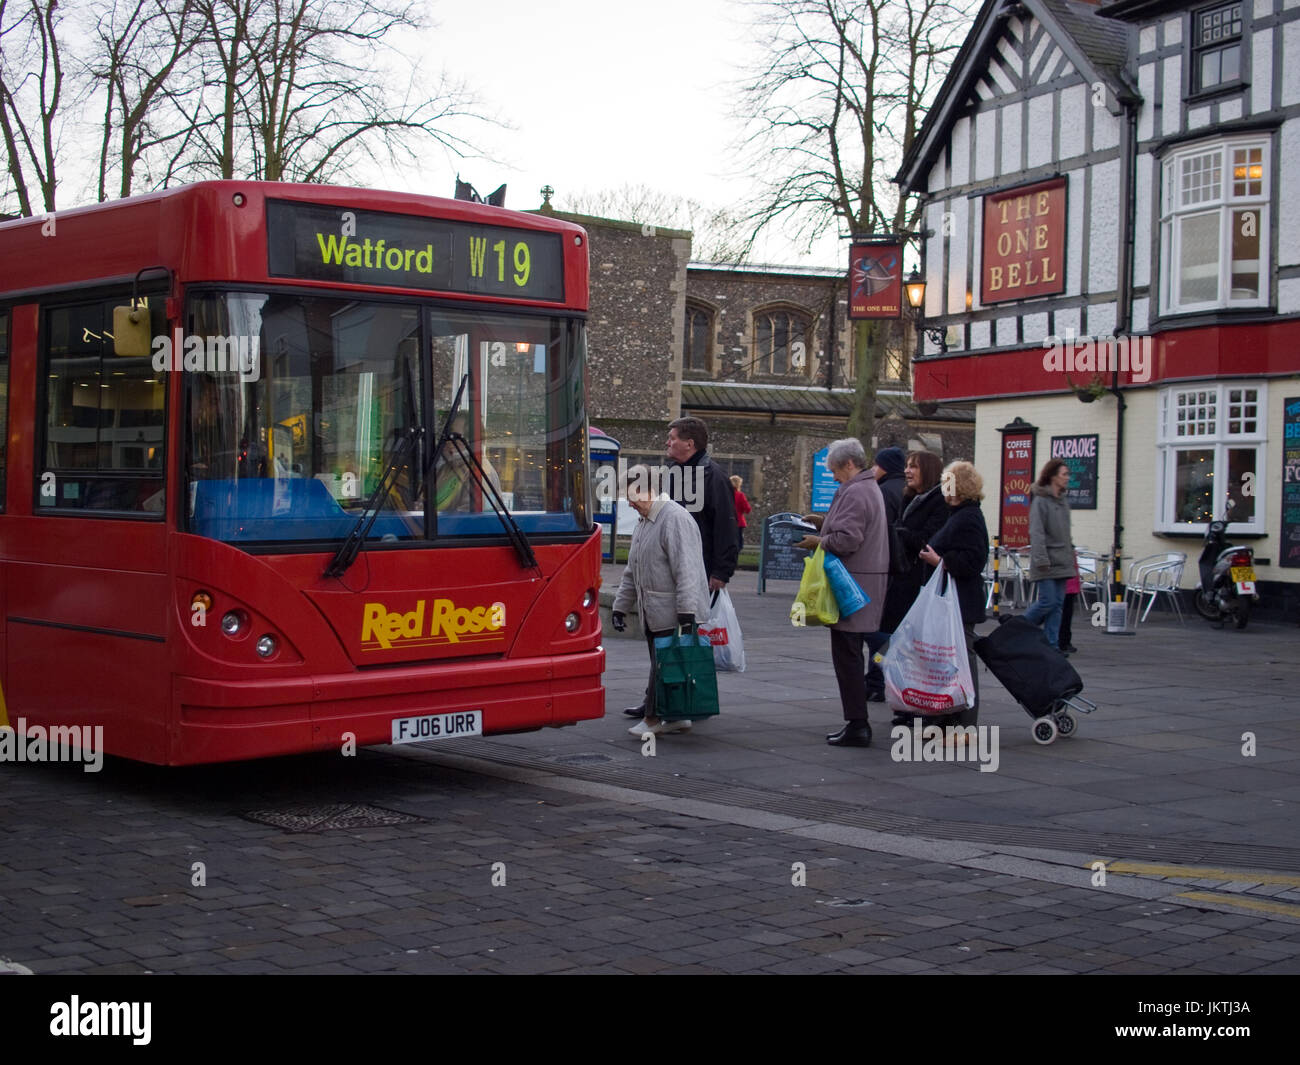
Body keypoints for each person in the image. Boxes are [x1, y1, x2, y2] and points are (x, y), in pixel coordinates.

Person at [625, 416, 737, 719]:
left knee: (682, 643)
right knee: (665, 642)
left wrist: (721, 572)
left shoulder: (714, 478)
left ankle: (675, 703)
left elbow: (727, 529)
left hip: (696, 572)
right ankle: (659, 700)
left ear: (690, 443)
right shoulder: (673, 473)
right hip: (668, 570)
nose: (667, 442)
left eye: (672, 437)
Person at [794, 438, 888, 748]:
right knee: (851, 654)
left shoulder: (856, 491)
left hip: (853, 586)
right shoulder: (866, 487)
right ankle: (857, 722)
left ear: (849, 464)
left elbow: (848, 539)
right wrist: (824, 523)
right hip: (864, 581)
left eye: (835, 469)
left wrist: (818, 540)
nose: (833, 476)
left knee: (847, 657)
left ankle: (858, 724)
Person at [611, 466, 711, 737]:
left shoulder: (674, 518)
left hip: (672, 610)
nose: (630, 503)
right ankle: (678, 717)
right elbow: (633, 569)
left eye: (632, 495)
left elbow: (687, 568)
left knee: (662, 667)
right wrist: (620, 606)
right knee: (667, 667)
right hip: (654, 610)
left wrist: (687, 611)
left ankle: (653, 718)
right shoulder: (645, 522)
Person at [878, 451, 949, 723]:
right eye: (907, 466)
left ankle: (916, 706)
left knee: (914, 646)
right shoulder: (910, 497)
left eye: (914, 467)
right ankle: (905, 702)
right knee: (898, 643)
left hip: (919, 582)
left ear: (928, 471)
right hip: (902, 578)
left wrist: (899, 533)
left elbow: (930, 539)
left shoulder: (938, 501)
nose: (908, 471)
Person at [918, 461, 989, 729]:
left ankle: (965, 721)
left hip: (960, 600)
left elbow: (974, 559)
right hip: (952, 599)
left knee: (962, 661)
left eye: (947, 484)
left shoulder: (968, 517)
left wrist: (940, 561)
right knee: (951, 661)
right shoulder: (960, 514)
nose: (943, 490)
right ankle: (949, 717)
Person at [862, 446, 908, 702]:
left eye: (876, 465)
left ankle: (878, 678)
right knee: (887, 627)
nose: (872, 469)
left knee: (877, 630)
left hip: (885, 567)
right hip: (904, 570)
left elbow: (878, 531)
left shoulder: (882, 492)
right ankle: (878, 678)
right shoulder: (906, 490)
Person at [1023, 458, 1074, 650]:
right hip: (1046, 561)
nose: (1067, 478)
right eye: (1064, 474)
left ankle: (1051, 646)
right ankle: (1018, 628)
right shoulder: (1040, 502)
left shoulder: (1063, 502)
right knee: (1048, 602)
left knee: (1058, 605)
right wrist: (1041, 559)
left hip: (1062, 561)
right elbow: (1036, 532)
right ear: (1053, 476)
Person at [731, 474, 751, 555]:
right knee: (738, 544)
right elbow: (747, 509)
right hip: (738, 521)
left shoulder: (725, 494)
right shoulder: (740, 495)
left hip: (727, 522)